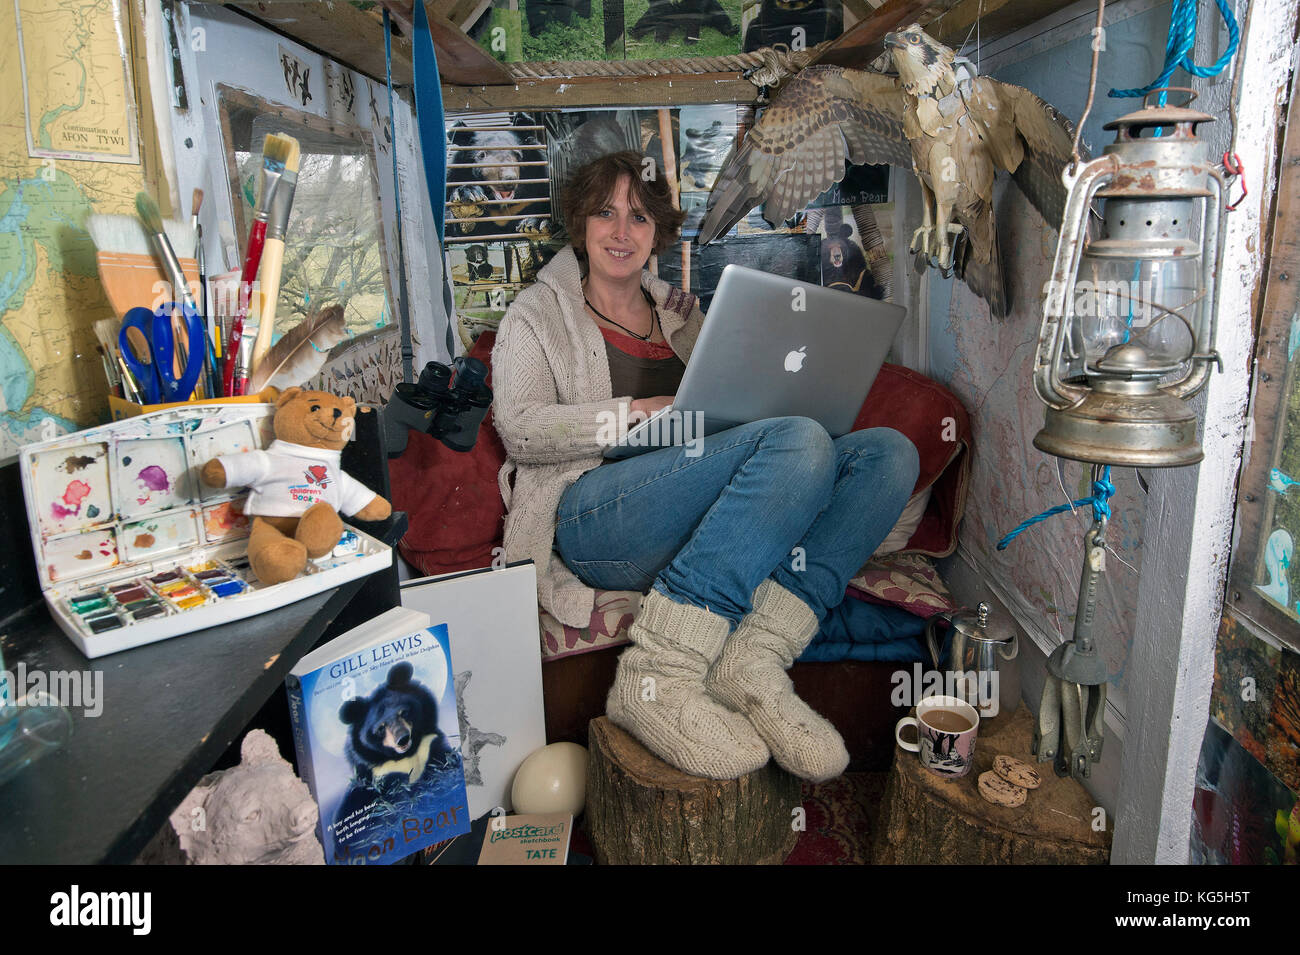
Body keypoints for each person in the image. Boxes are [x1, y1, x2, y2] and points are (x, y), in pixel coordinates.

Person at [491, 151, 919, 783]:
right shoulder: (537, 313)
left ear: (657, 233)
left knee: (887, 455)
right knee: (797, 441)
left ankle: (753, 657)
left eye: (637, 217)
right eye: (604, 214)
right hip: (594, 517)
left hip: (696, 514)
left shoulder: (682, 314)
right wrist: (633, 412)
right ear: (579, 223)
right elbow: (520, 428)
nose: (620, 232)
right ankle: (656, 677)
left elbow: (726, 415)